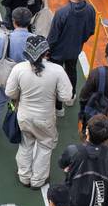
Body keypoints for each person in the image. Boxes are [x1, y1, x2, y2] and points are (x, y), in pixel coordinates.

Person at [5, 33, 72, 188]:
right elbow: (66, 96)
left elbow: (10, 92)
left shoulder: (19, 68)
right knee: (44, 147)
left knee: (25, 144)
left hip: (24, 116)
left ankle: (24, 176)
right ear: (46, 52)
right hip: (45, 118)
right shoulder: (57, 70)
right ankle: (38, 180)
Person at [58, 114, 108, 206]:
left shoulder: (74, 150)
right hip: (97, 194)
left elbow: (62, 163)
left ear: (87, 130)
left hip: (74, 193)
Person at [0, 7, 32, 141]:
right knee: (26, 105)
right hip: (27, 80)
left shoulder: (7, 39)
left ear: (14, 21)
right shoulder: (35, 39)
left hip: (7, 78)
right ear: (30, 21)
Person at [48, 0, 97, 108]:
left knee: (56, 77)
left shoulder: (62, 13)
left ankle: (58, 107)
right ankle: (71, 96)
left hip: (58, 52)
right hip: (75, 50)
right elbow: (91, 30)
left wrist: (48, 51)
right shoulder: (90, 10)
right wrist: (79, 41)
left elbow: (53, 37)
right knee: (71, 71)